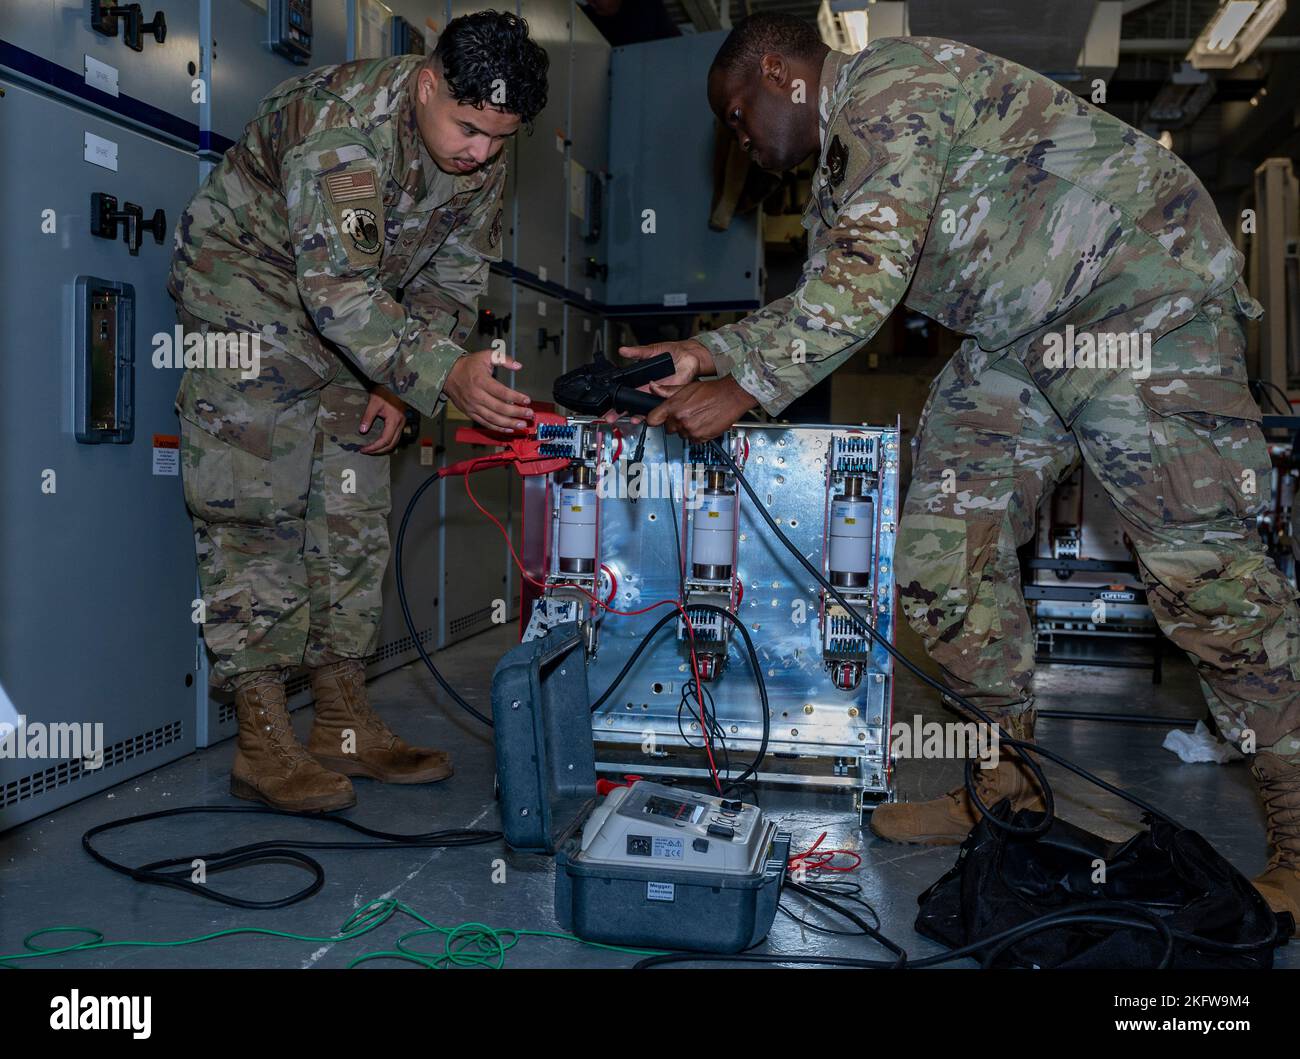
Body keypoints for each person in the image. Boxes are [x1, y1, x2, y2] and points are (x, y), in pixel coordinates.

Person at [621, 13, 1300, 918]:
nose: (740, 139)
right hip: (1027, 333)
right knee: (945, 558)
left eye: (737, 115)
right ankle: (1009, 783)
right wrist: (708, 354)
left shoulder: (891, 87)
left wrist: (744, 385)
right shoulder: (840, 172)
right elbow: (836, 285)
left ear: (778, 72)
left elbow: (861, 282)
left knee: (1206, 578)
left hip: (1140, 296)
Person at [169, 11, 548, 812]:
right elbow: (335, 290)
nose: (480, 151)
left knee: (352, 505)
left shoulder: (479, 154)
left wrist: (399, 384)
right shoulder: (340, 129)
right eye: (469, 127)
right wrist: (443, 375)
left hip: (357, 323)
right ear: (427, 84)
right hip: (249, 298)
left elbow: (452, 279)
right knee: (255, 508)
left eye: (499, 137)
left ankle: (340, 719)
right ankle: (261, 738)